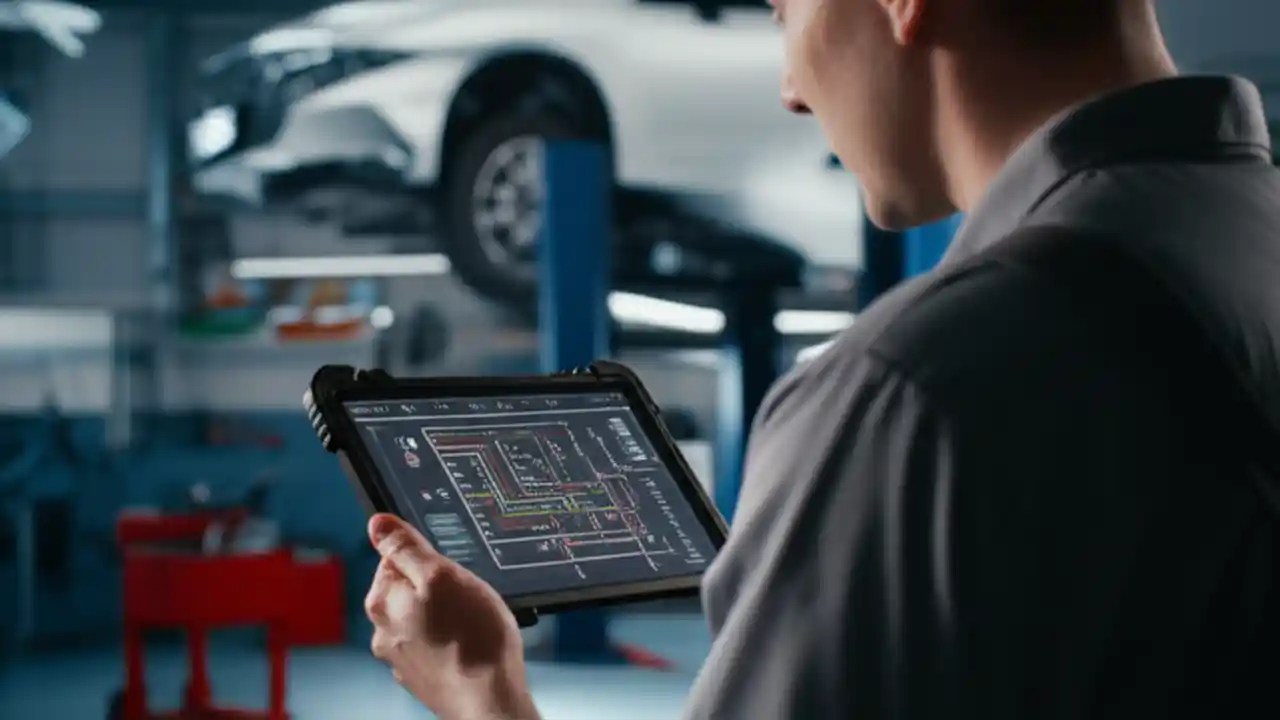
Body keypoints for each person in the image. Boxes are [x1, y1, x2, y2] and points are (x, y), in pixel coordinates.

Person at [362, 0, 1280, 717]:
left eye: (783, 14)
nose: (791, 88)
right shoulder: (1245, 246)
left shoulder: (912, 391)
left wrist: (484, 695)